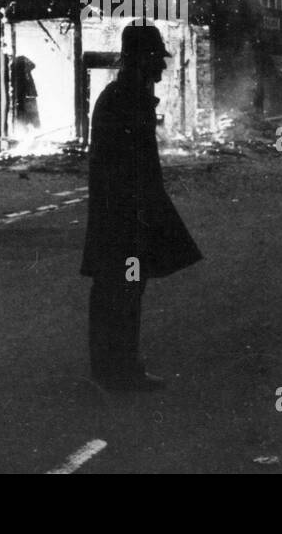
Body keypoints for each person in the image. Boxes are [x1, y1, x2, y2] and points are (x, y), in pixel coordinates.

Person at [81, 22, 202, 391]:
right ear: (142, 59)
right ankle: (119, 373)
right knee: (122, 293)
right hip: (125, 220)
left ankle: (117, 369)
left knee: (119, 293)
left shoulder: (123, 96)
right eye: (157, 59)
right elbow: (131, 170)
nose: (163, 68)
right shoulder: (127, 100)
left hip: (122, 217)